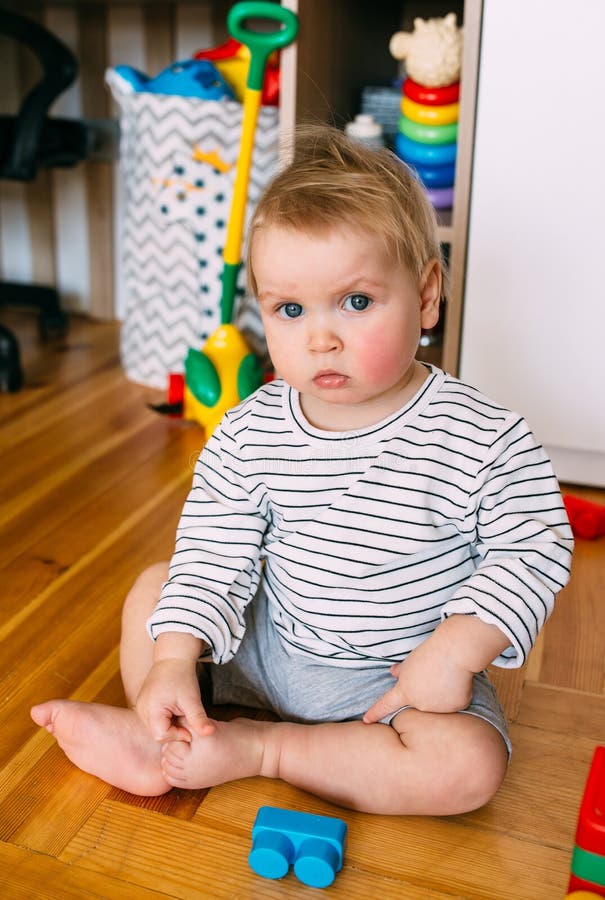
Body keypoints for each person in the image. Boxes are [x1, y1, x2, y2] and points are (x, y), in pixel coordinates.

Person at [31, 125, 573, 815]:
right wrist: (172, 660)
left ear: (426, 296)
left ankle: (263, 749)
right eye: (289, 310)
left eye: (356, 302)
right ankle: (157, 729)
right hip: (266, 649)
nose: (320, 338)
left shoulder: (481, 435)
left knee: (467, 766)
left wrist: (456, 653)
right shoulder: (249, 430)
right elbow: (212, 550)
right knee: (154, 590)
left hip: (395, 678)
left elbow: (534, 546)